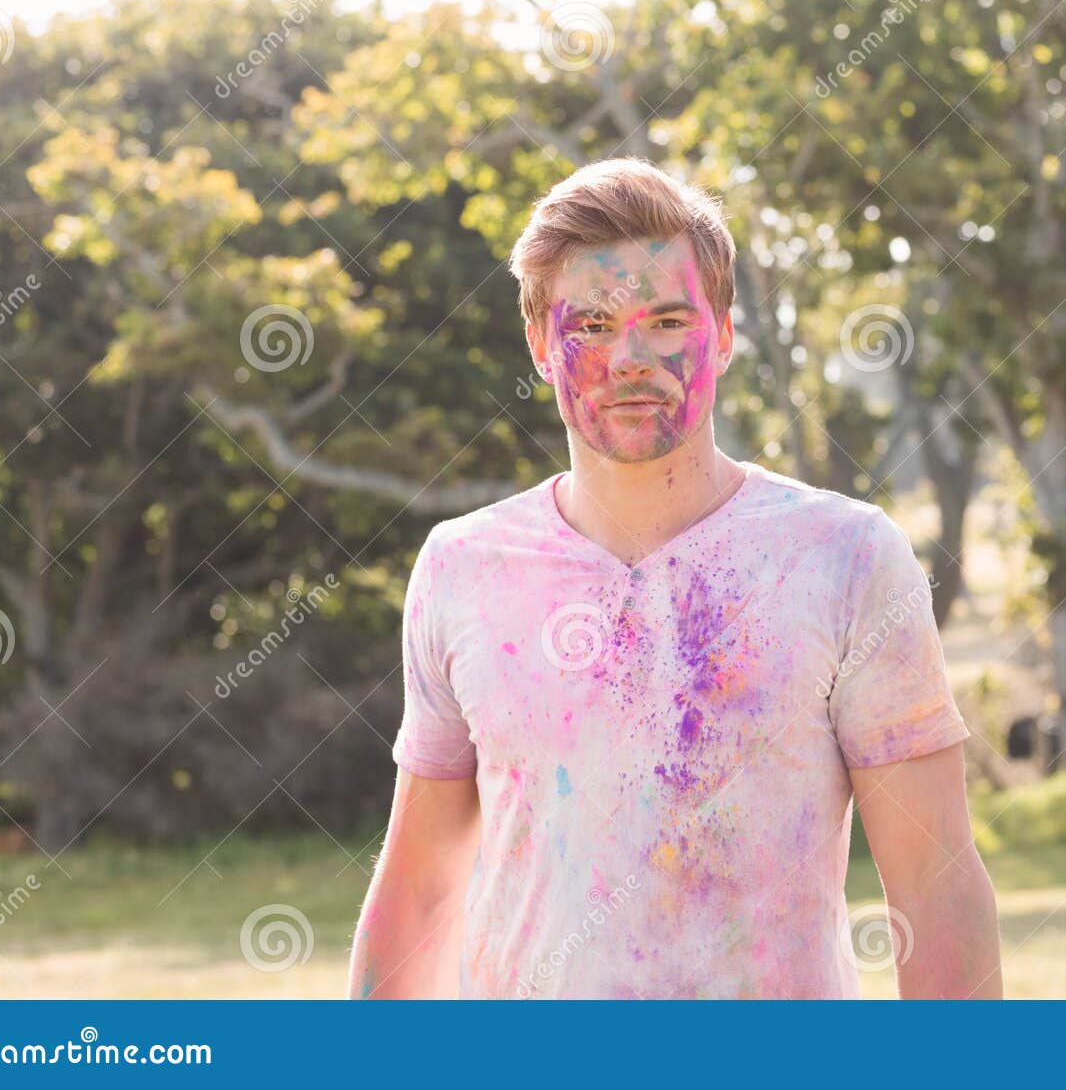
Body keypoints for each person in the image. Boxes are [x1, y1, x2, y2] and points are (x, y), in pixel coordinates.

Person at [348, 157, 1002, 998]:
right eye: (590, 324)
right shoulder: (462, 567)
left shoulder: (845, 556)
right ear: (542, 345)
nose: (631, 357)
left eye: (666, 320)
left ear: (723, 334)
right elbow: (419, 888)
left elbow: (937, 886)